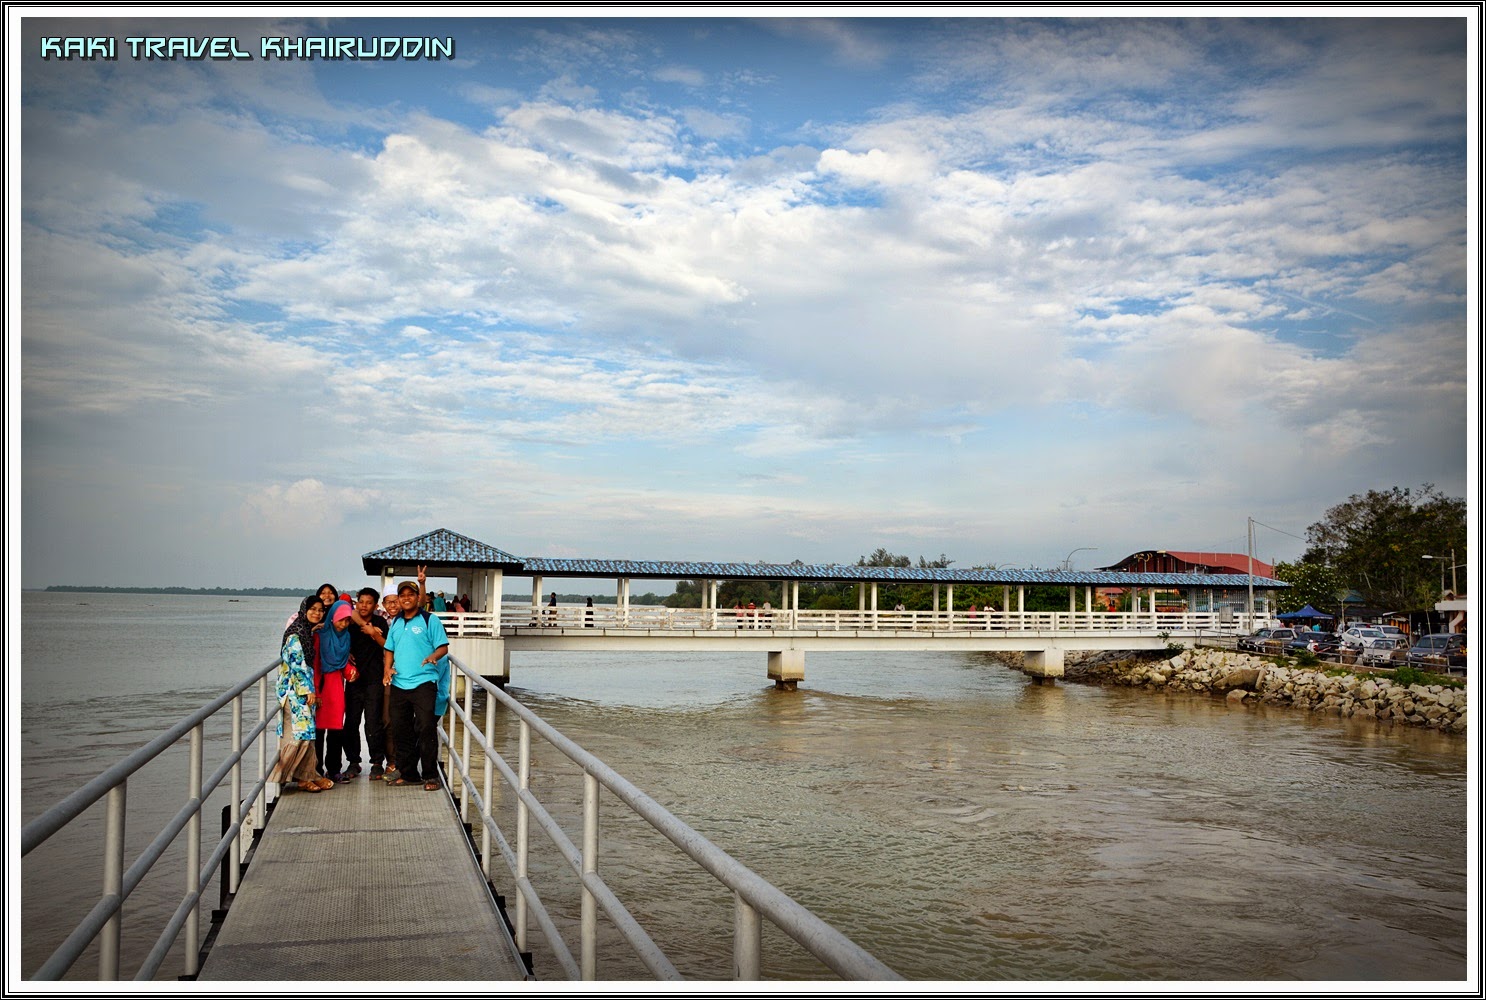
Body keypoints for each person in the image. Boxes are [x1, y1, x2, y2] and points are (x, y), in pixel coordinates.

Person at [384, 581, 451, 790]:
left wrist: (433, 656)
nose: (405, 598)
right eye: (402, 595)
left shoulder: (429, 620)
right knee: (401, 730)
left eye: (410, 595)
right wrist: (387, 669)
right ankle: (409, 773)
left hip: (423, 682)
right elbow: (389, 649)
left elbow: (443, 647)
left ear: (417, 598)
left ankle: (430, 775)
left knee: (425, 727)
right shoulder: (395, 622)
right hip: (399, 683)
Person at [269, 596, 332, 792]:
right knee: (300, 733)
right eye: (313, 609)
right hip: (294, 691)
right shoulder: (296, 634)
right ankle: (283, 777)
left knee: (308, 734)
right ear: (304, 610)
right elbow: (297, 666)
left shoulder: (304, 630)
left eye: (320, 610)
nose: (317, 613)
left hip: (301, 690)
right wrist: (308, 691)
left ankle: (309, 774)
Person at [344, 587, 388, 779]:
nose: (364, 605)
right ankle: (353, 762)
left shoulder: (380, 622)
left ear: (376, 605)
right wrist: (346, 654)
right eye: (361, 601)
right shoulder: (350, 622)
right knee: (351, 723)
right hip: (354, 681)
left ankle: (377, 762)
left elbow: (388, 646)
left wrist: (373, 633)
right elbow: (339, 640)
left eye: (369, 602)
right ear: (356, 602)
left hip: (374, 680)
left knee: (373, 723)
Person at [316, 600, 352, 781]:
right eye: (340, 620)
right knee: (318, 731)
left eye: (347, 620)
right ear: (333, 618)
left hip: (337, 686)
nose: (344, 624)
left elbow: (344, 662)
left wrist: (351, 671)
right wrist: (315, 692)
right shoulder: (320, 636)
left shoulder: (346, 637)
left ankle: (334, 769)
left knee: (336, 729)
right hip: (321, 686)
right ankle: (316, 770)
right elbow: (314, 665)